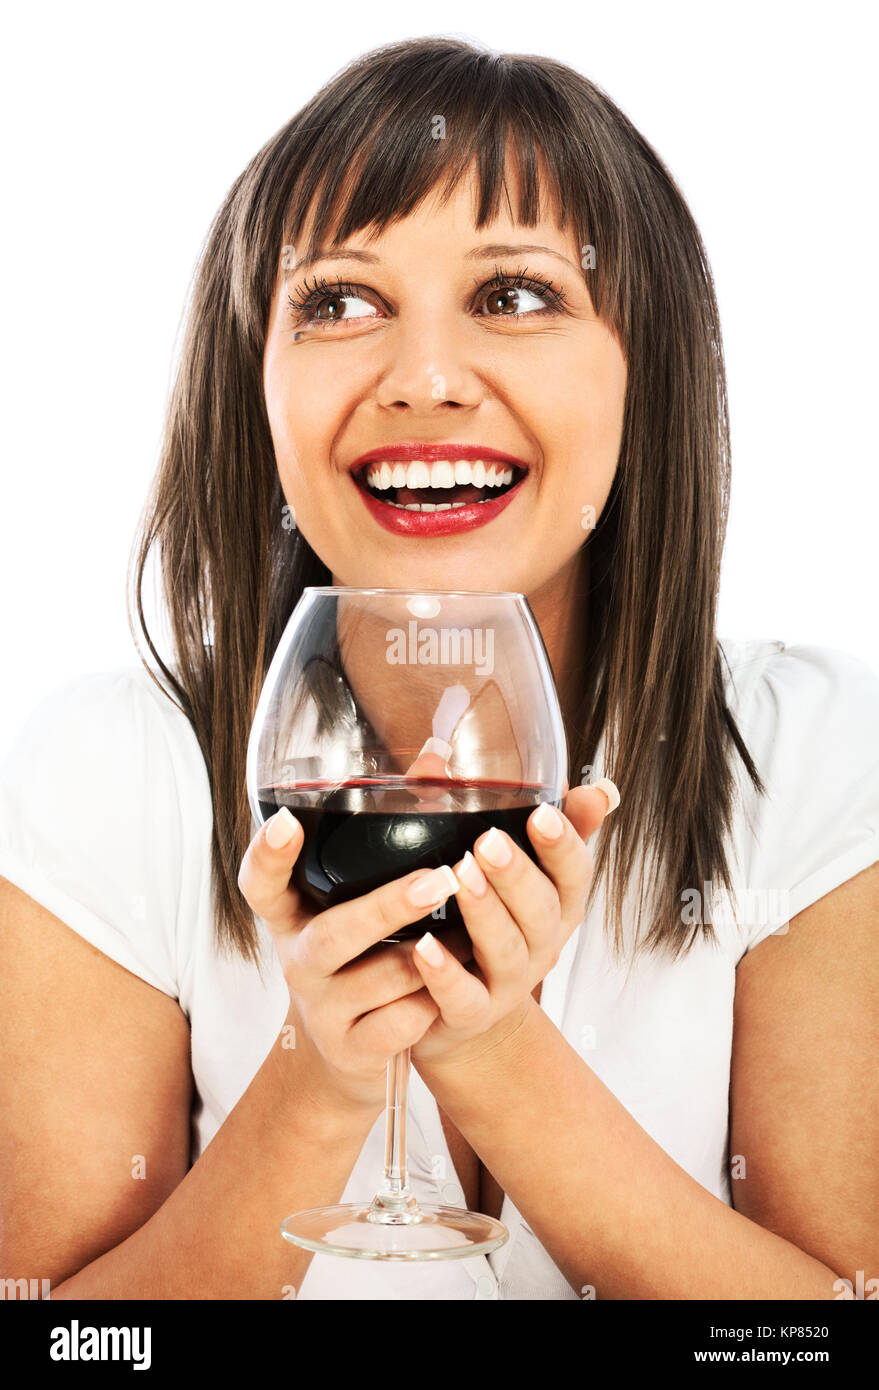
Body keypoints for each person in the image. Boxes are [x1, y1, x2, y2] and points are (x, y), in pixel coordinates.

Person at [1, 36, 877, 1302]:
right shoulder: (107, 774)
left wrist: (500, 1056)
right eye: (340, 301)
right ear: (255, 381)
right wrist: (322, 1080)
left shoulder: (809, 762)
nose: (422, 380)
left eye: (514, 295)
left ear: (650, 367)